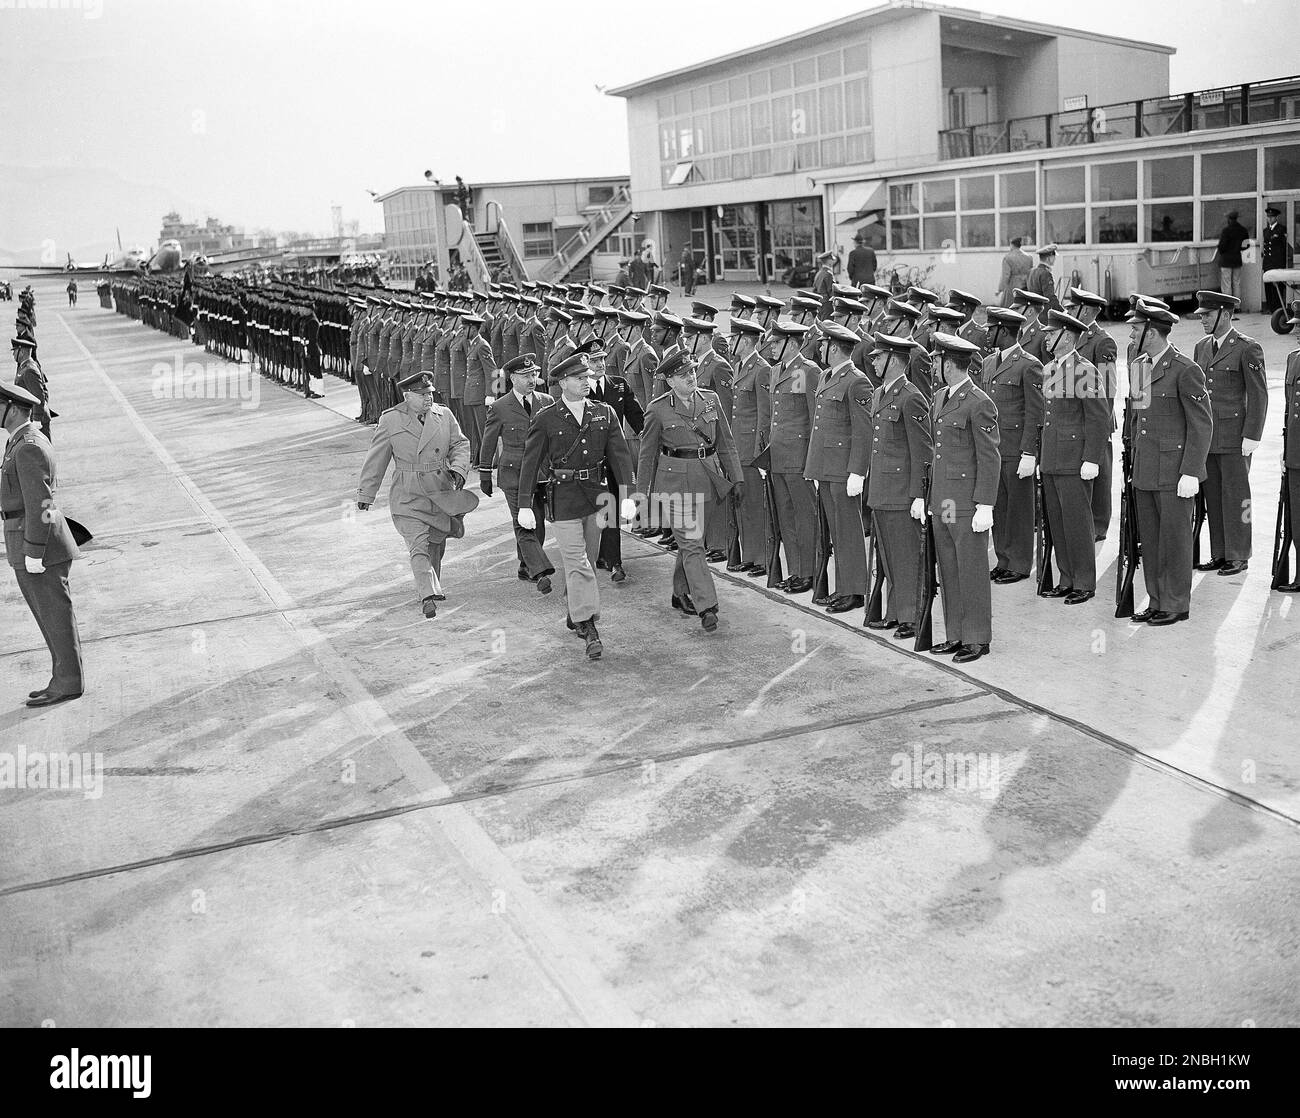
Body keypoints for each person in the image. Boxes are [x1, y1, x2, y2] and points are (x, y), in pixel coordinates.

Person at [517, 353, 637, 660]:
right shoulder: (546, 417)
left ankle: (576, 610)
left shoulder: (604, 412)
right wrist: (524, 504)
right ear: (563, 383)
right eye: (580, 378)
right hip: (565, 498)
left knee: (590, 561)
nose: (587, 381)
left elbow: (621, 457)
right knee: (577, 561)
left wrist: (628, 496)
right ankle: (589, 626)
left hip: (596, 496)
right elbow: (530, 463)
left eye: (587, 377)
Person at [637, 350, 744, 632]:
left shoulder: (711, 399)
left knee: (691, 543)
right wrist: (641, 495)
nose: (691, 378)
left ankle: (679, 592)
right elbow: (647, 456)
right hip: (674, 485)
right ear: (670, 381)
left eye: (693, 372)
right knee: (694, 545)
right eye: (684, 375)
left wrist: (737, 478)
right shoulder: (658, 409)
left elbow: (726, 442)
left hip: (708, 479)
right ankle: (707, 605)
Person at [356, 370, 474, 619]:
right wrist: (366, 493)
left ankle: (432, 584)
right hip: (407, 492)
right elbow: (377, 458)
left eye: (430, 393)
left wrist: (458, 469)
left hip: (440, 489)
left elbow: (460, 444)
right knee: (417, 544)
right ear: (407, 396)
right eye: (421, 394)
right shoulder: (390, 420)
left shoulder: (445, 415)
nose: (428, 398)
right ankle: (427, 595)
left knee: (435, 543)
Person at [1125, 300, 1213, 626]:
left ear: (1152, 331)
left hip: (1174, 471)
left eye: (1136, 327)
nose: (1132, 332)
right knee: (1151, 539)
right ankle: (1157, 599)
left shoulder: (1185, 369)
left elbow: (1202, 425)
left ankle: (1176, 603)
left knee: (1174, 540)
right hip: (1146, 468)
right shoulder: (1139, 366)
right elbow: (1136, 421)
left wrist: (1191, 471)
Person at [2, 380, 84, 706]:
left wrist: (34, 550)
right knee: (48, 617)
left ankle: (68, 682)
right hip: (26, 540)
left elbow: (42, 504)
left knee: (55, 616)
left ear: (13, 408)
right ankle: (61, 677)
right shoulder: (19, 442)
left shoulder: (29, 447)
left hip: (38, 546)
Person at [925, 333, 1000, 662]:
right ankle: (955, 633)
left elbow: (989, 456)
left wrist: (985, 503)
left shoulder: (979, 402)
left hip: (967, 502)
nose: (933, 366)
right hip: (944, 500)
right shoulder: (941, 396)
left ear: (949, 364)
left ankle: (977, 637)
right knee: (950, 569)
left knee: (970, 569)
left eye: (937, 361)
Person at [1191, 290, 1268, 576]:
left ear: (1224, 314)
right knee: (1214, 497)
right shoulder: (1201, 347)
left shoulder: (1247, 348)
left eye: (1207, 315)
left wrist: (1253, 436)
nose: (1202, 320)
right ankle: (1220, 553)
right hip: (1208, 438)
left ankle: (1239, 553)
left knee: (1237, 497)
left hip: (1236, 438)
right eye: (1201, 316)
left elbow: (1259, 395)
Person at [1037, 309, 1109, 605]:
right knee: (1059, 521)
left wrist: (1092, 458)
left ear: (1067, 337)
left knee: (1078, 523)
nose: (1046, 339)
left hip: (1074, 459)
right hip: (1053, 457)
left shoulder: (1085, 370)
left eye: (1051, 335)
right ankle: (1066, 577)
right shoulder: (1050, 368)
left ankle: (1083, 581)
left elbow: (1098, 417)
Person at [804, 323, 873, 613]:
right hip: (826, 467)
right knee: (836, 530)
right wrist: (815, 469)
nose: (819, 348)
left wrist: (858, 471)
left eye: (823, 344)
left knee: (848, 531)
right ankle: (843, 586)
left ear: (834, 347)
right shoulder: (825, 377)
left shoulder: (857, 381)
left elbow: (863, 430)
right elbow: (820, 427)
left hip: (844, 469)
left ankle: (855, 590)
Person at [865, 333, 931, 638]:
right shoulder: (881, 393)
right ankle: (895, 611)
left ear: (894, 359)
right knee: (889, 557)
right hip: (881, 489)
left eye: (878, 356)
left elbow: (922, 449)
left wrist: (920, 494)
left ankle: (911, 616)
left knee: (905, 558)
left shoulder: (911, 396)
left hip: (901, 492)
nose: (873, 361)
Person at [479, 354, 556, 593]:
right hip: (513, 472)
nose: (532, 379)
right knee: (523, 522)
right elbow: (489, 441)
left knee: (538, 523)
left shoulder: (547, 401)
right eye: (525, 376)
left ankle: (525, 565)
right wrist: (484, 473)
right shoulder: (500, 407)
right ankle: (540, 570)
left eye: (534, 374)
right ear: (512, 378)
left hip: (541, 473)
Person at [980, 307, 1044, 586]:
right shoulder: (988, 362)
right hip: (994, 448)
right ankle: (1004, 559)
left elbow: (1035, 412)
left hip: (1016, 448)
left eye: (991, 329)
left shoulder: (1029, 365)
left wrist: (1030, 452)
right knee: (1000, 507)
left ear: (1004, 331)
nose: (987, 333)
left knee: (1018, 509)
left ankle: (1019, 563)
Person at [585, 341, 644, 582]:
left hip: (614, 461)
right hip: (587, 463)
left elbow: (636, 416)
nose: (600, 364)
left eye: (602, 359)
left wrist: (650, 438)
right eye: (594, 360)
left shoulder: (618, 385)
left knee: (612, 510)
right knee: (590, 514)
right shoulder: (578, 390)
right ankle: (596, 556)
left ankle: (614, 561)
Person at [1278, 304, 1300, 593]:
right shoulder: (1293, 359)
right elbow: (1288, 411)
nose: (1296, 331)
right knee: (1297, 517)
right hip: (1295, 453)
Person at [1262, 206, 1290, 313]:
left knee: (1277, 287)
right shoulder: (1266, 231)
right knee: (1268, 287)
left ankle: (1277, 308)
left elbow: (1284, 247)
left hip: (1277, 263)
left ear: (1276, 217)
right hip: (1268, 263)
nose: (1269, 219)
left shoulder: (1281, 229)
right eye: (1268, 217)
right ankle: (1270, 308)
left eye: (1272, 217)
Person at [1216, 211, 1249, 299]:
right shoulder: (1243, 230)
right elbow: (1246, 245)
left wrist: (1222, 251)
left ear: (1229, 219)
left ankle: (1228, 305)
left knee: (1226, 283)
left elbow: (1222, 246)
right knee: (1236, 282)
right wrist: (1238, 249)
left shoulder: (1226, 231)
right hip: (1237, 259)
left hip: (1226, 260)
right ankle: (1237, 306)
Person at [997, 238, 1034, 307]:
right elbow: (1031, 273)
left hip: (1012, 285)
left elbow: (1006, 275)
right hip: (1025, 285)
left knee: (1009, 308)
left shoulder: (1008, 258)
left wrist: (1000, 289)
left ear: (1012, 245)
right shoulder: (1029, 257)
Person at [1027, 243, 1061, 312]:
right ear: (1049, 258)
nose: (1055, 259)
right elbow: (1050, 297)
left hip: (1033, 311)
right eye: (1054, 257)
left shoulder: (1031, 271)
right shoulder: (1046, 274)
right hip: (1044, 313)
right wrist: (1063, 311)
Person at [812, 251, 836, 319]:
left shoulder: (819, 273)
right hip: (827, 303)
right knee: (828, 324)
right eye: (832, 260)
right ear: (828, 261)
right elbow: (831, 291)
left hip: (819, 302)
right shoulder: (828, 274)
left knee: (821, 322)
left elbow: (814, 289)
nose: (833, 261)